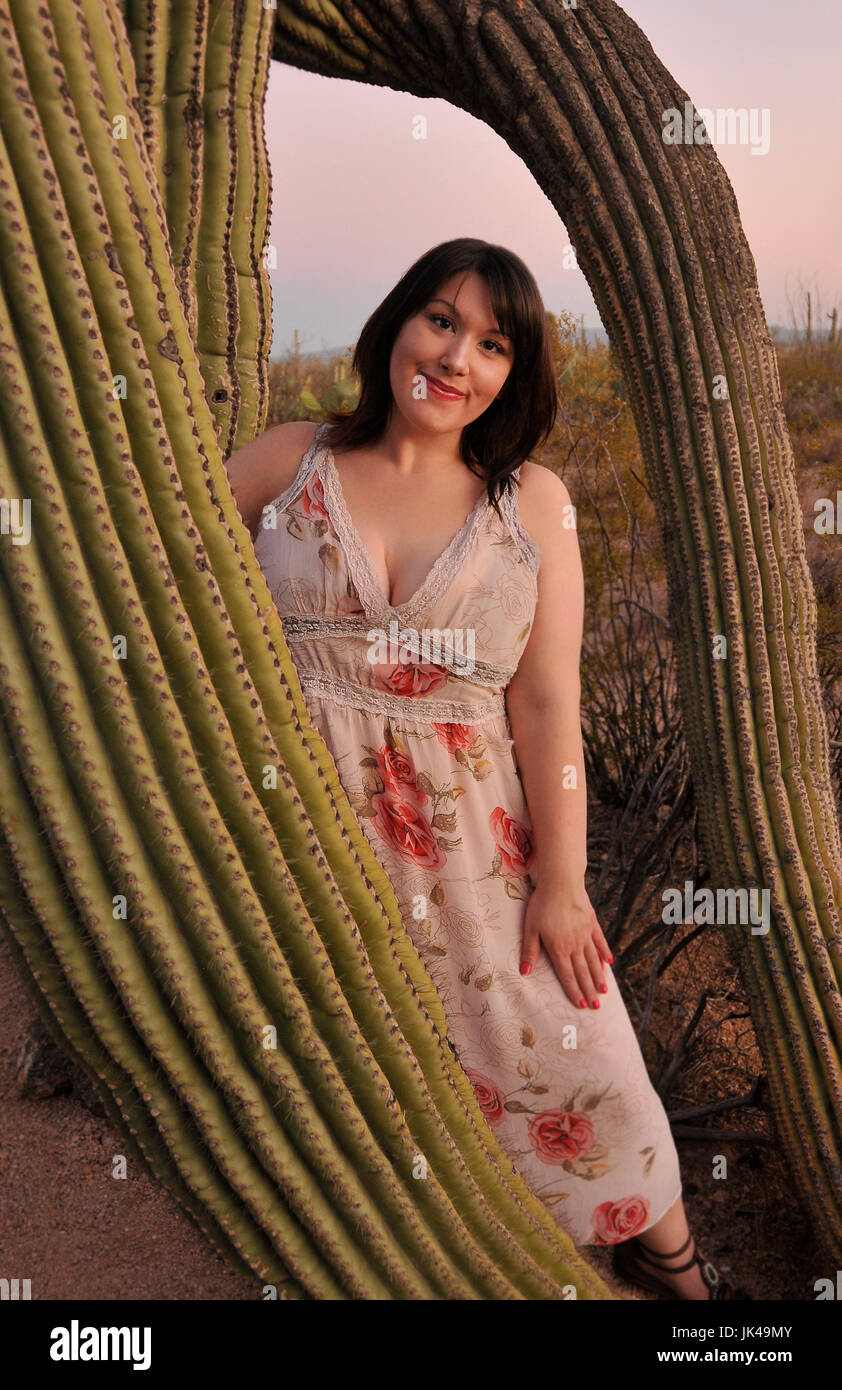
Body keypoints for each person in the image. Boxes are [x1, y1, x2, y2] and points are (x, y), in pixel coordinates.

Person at [226, 237, 743, 1300]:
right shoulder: (292, 459)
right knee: (368, 1097)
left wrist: (560, 881)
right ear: (394, 326)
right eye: (440, 321)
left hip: (477, 850)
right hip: (302, 841)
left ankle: (684, 1286)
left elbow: (546, 702)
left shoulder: (530, 504)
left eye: (492, 343)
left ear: (515, 372)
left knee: (588, 1062)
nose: (457, 356)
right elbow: (148, 567)